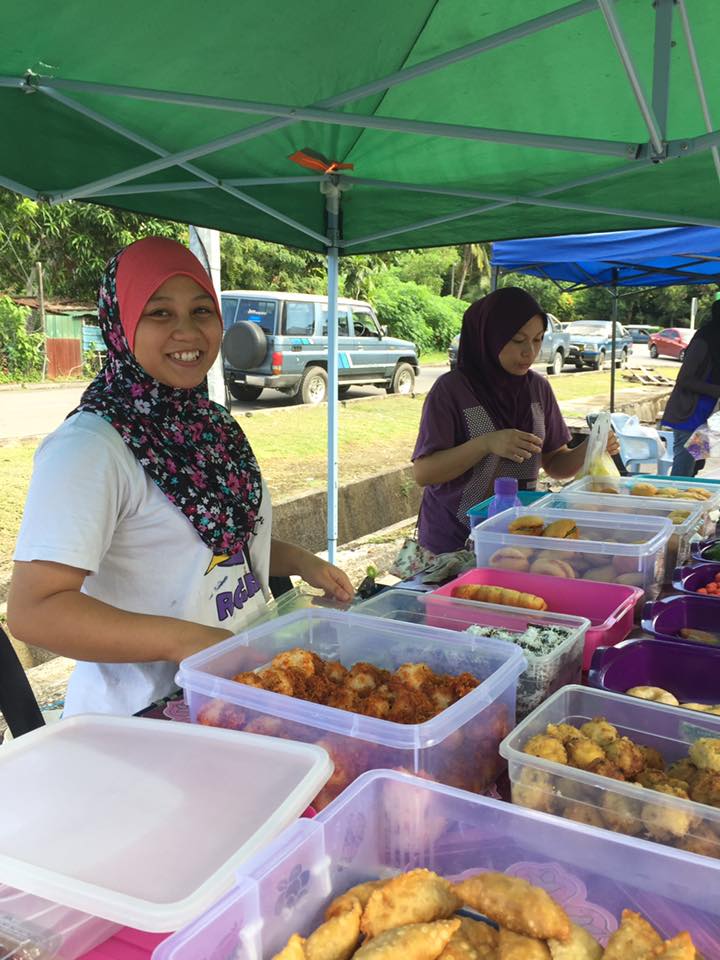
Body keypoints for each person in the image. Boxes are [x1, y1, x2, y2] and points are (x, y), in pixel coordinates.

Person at [7, 237, 353, 717]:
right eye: (160, 313)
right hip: (146, 719)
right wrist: (188, 642)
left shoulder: (211, 424)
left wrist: (301, 560)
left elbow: (213, 545)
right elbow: (35, 611)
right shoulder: (89, 448)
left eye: (201, 311)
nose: (187, 332)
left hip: (239, 686)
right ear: (121, 324)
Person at [412, 287, 619, 555]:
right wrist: (486, 443)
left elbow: (556, 463)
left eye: (537, 340)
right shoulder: (452, 390)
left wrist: (591, 447)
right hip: (452, 539)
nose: (529, 352)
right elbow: (424, 472)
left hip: (517, 536)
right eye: (517, 340)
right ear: (489, 338)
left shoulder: (538, 389)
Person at [661, 300, 720, 477]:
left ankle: (685, 502)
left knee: (695, 466)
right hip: (689, 416)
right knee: (683, 470)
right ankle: (674, 504)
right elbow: (684, 379)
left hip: (708, 419)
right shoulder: (704, 340)